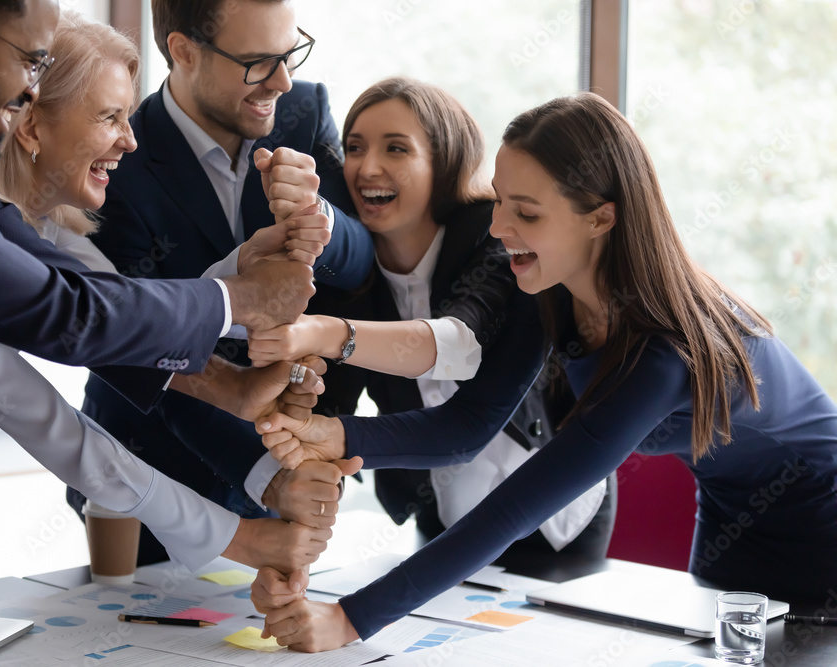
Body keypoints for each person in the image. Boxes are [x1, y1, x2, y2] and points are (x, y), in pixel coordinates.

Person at [251, 92, 837, 652]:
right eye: (500, 200)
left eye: (525, 212)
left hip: (823, 523)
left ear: (600, 218)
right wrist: (337, 437)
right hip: (730, 512)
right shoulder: (547, 286)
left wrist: (350, 619)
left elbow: (514, 507)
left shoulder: (662, 355)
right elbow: (465, 426)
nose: (499, 227)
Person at [0, 0, 311, 637]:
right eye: (31, 63)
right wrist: (240, 299)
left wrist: (236, 294)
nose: (28, 91)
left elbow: (86, 292)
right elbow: (69, 323)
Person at [0, 12, 344, 577]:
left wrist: (242, 273)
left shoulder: (41, 224)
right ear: (30, 127)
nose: (129, 139)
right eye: (109, 118)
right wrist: (236, 537)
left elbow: (126, 316)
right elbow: (61, 420)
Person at [246, 77, 613, 559]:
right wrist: (307, 498)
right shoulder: (353, 276)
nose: (367, 167)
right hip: (439, 516)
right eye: (354, 147)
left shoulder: (498, 234)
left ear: (443, 161)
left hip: (558, 514)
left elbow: (460, 344)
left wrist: (326, 333)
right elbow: (327, 411)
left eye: (396, 149)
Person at [70, 0, 375, 564]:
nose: (283, 81)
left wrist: (320, 217)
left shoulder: (306, 111)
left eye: (290, 53)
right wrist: (263, 475)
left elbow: (363, 270)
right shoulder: (116, 158)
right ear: (183, 51)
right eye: (259, 62)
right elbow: (143, 349)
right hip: (147, 477)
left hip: (287, 464)